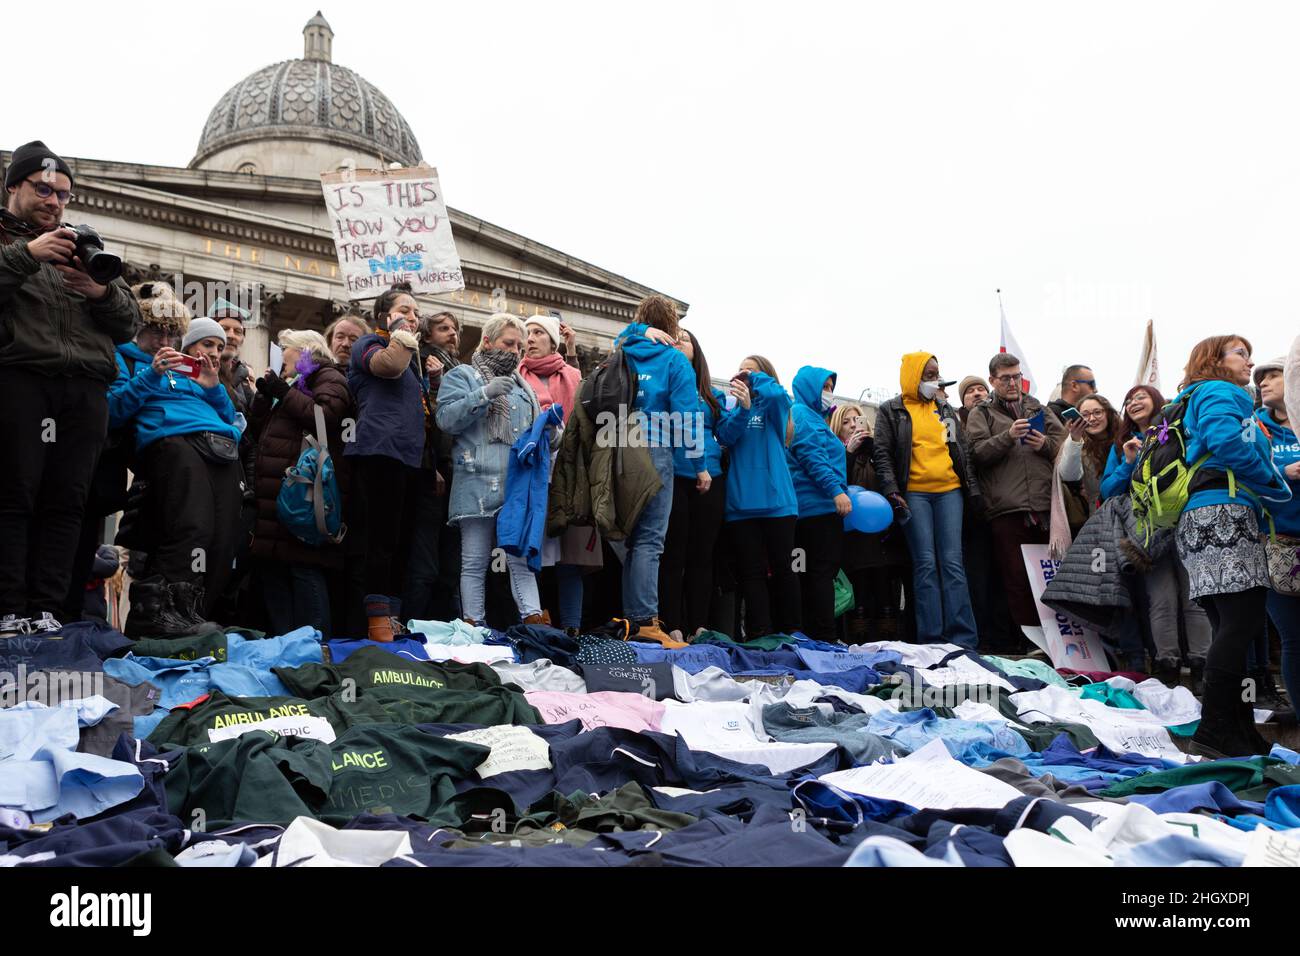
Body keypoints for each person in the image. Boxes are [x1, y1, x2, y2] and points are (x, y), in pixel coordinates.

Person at [0, 141, 140, 636]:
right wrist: (25, 256)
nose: (54, 201)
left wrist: (99, 289)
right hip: (23, 380)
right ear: (12, 186)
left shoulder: (84, 245)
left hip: (84, 390)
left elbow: (129, 323)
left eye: (62, 193)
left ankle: (50, 611)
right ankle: (9, 608)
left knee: (67, 502)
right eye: (43, 189)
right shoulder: (8, 241)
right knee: (15, 496)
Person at [1173, 336, 1290, 758]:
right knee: (1240, 624)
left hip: (1202, 517)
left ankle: (1238, 729)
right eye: (1241, 352)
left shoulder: (1192, 397)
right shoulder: (1222, 391)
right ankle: (1215, 729)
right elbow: (1227, 442)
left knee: (1232, 627)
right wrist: (1272, 479)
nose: (1250, 361)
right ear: (1214, 360)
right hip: (1223, 513)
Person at [65, 282, 187, 623]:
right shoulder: (118, 354)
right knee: (73, 539)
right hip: (93, 461)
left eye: (171, 335)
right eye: (156, 332)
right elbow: (112, 411)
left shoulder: (174, 368)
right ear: (139, 328)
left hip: (138, 470)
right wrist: (151, 376)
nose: (164, 342)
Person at [114, 317, 244, 635]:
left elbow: (232, 420)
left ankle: (196, 615)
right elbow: (114, 410)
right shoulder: (141, 363)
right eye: (207, 344)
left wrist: (213, 387)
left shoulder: (209, 380)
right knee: (191, 528)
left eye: (220, 347)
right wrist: (153, 373)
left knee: (224, 538)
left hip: (222, 450)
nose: (214, 352)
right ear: (186, 345)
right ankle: (160, 616)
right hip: (174, 443)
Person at [436, 312, 545, 628]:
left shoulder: (524, 387)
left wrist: (550, 433)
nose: (515, 352)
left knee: (520, 559)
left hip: (515, 486)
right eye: (509, 343)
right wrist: (484, 394)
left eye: (520, 347)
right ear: (487, 341)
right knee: (474, 562)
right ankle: (473, 624)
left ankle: (533, 620)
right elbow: (446, 420)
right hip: (477, 482)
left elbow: (530, 434)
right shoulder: (462, 376)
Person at [1097, 385, 1210, 687]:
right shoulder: (1122, 443)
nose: (1134, 403)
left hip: (1188, 523)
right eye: (1129, 400)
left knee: (1195, 598)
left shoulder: (1182, 430)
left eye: (1140, 397)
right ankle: (1167, 664)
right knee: (1160, 600)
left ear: (1157, 401)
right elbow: (1107, 490)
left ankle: (1202, 665)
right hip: (1150, 533)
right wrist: (1128, 462)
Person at [611, 295, 706, 646]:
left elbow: (620, 338)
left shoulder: (622, 351)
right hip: (653, 449)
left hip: (615, 446)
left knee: (628, 538)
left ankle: (631, 620)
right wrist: (700, 466)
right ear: (671, 326)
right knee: (650, 540)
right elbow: (687, 418)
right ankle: (645, 621)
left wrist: (637, 330)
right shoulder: (673, 360)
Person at [247, 329, 353, 638]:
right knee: (274, 572)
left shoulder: (329, 377)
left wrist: (284, 391)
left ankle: (314, 647)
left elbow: (324, 419)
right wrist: (265, 399)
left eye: (285, 350)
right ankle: (287, 646)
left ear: (305, 351)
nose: (281, 356)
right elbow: (257, 434)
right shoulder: (295, 385)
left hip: (303, 498)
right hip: (276, 499)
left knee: (304, 569)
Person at [872, 352, 980, 647]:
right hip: (914, 494)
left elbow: (962, 450)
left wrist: (970, 488)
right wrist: (893, 491)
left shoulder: (946, 409)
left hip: (950, 492)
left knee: (953, 563)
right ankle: (932, 639)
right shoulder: (890, 410)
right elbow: (881, 454)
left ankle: (963, 640)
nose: (935, 379)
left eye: (936, 373)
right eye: (928, 374)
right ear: (912, 375)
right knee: (925, 565)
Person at [346, 282, 428, 641]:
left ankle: (391, 617)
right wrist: (401, 335)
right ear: (385, 315)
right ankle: (369, 621)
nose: (414, 317)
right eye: (405, 310)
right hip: (379, 451)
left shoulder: (411, 356)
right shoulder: (371, 343)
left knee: (399, 543)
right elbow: (389, 366)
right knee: (377, 541)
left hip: (409, 458)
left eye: (416, 312)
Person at [964, 353, 1067, 636]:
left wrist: (1045, 443)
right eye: (1006, 378)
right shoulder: (980, 413)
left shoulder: (1039, 409)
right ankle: (1029, 639)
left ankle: (1057, 639)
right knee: (1017, 578)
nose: (1013, 383)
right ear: (993, 380)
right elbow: (976, 454)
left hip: (1045, 506)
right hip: (1006, 508)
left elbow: (1065, 447)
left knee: (1053, 576)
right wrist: (1007, 436)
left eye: (1016, 376)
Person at [519, 312, 595, 634]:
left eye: (538, 332)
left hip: (569, 474)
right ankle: (535, 623)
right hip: (531, 473)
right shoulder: (516, 375)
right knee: (532, 551)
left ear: (553, 341)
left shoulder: (571, 376)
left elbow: (588, 409)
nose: (531, 338)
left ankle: (572, 628)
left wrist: (574, 350)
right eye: (527, 332)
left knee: (570, 556)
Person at [716, 355, 801, 639]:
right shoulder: (731, 407)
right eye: (739, 370)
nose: (742, 375)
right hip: (741, 506)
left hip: (778, 504)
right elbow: (726, 436)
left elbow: (779, 393)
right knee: (750, 574)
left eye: (749, 371)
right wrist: (742, 408)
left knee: (783, 570)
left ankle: (791, 631)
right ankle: (759, 633)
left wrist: (755, 378)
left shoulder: (775, 406)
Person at [658, 328, 727, 640]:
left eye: (684, 338)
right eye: (673, 338)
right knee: (673, 553)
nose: (678, 341)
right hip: (673, 473)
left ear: (696, 350)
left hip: (710, 478)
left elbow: (727, 435)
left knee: (702, 555)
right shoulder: (663, 384)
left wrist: (747, 410)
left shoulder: (714, 395)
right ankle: (671, 623)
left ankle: (699, 624)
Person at [402, 309, 462, 623]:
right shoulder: (423, 363)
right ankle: (415, 623)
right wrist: (433, 463)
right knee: (425, 560)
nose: (452, 333)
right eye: (443, 328)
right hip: (432, 471)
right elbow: (428, 420)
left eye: (454, 328)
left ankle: (443, 624)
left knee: (450, 560)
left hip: (454, 472)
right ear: (427, 336)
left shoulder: (458, 368)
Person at [786, 366, 853, 641]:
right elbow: (812, 457)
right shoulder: (803, 415)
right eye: (823, 387)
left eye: (830, 388)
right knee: (820, 574)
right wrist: (836, 491)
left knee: (812, 573)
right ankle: (824, 637)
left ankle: (815, 634)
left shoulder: (812, 417)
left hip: (813, 508)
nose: (828, 393)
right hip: (818, 507)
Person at [1254, 357, 1300, 714]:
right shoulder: (1254, 428)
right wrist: (1283, 473)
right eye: (1260, 378)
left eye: (1273, 375)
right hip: (1278, 545)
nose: (1264, 382)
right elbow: (1241, 479)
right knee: (1294, 640)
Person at [1055, 394, 1123, 535]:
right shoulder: (1078, 445)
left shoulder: (1125, 439)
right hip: (1098, 517)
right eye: (1085, 415)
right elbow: (1069, 475)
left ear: (1108, 413)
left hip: (1128, 512)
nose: (1092, 419)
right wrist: (1075, 439)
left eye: (1097, 412)